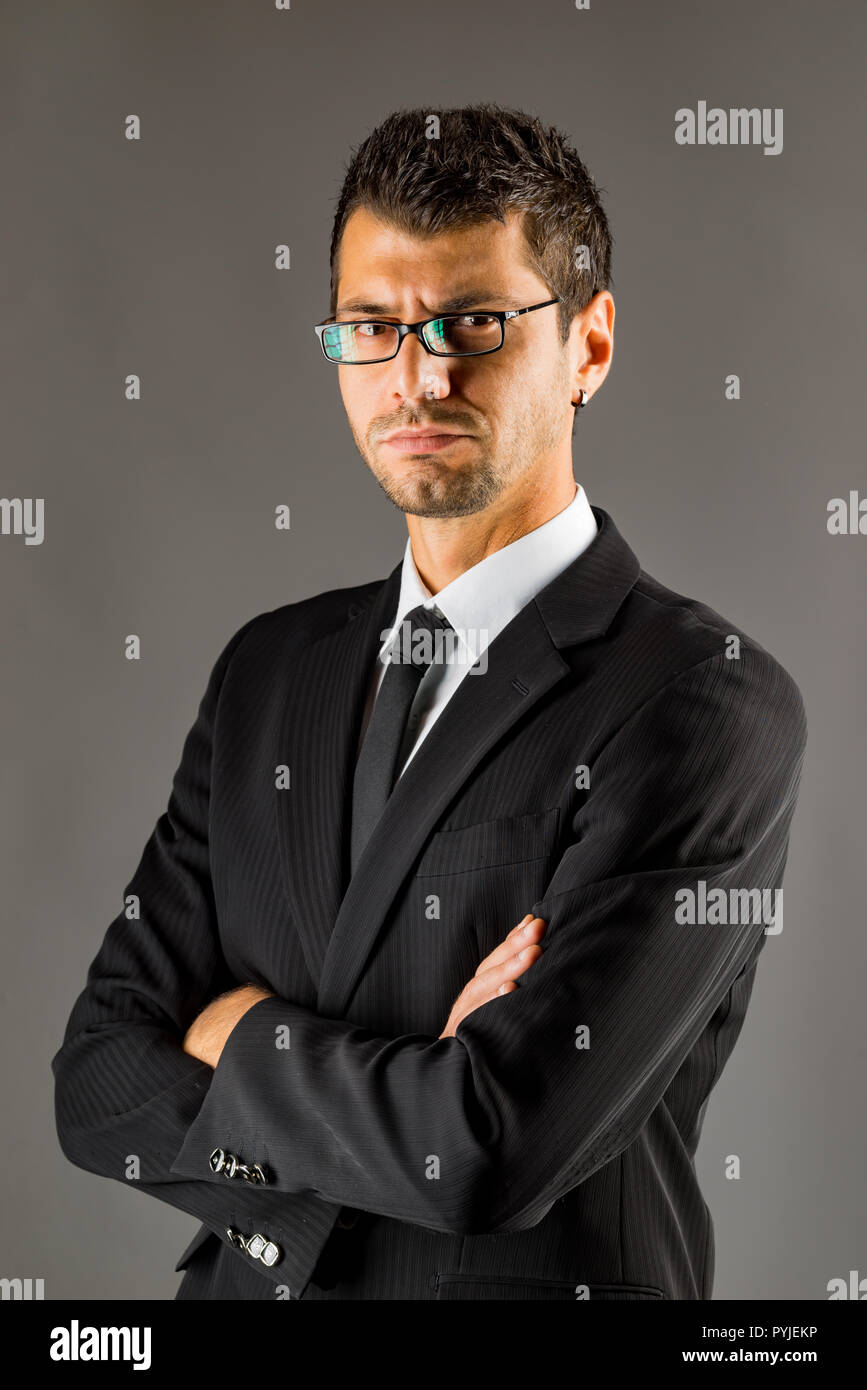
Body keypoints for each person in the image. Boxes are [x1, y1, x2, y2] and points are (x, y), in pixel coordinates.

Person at [52, 103, 806, 1301]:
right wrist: (399, 1089)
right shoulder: (269, 672)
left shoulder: (704, 700)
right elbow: (94, 1080)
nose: (422, 374)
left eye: (476, 323)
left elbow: (490, 1146)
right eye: (373, 328)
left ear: (590, 346)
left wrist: (235, 1028)